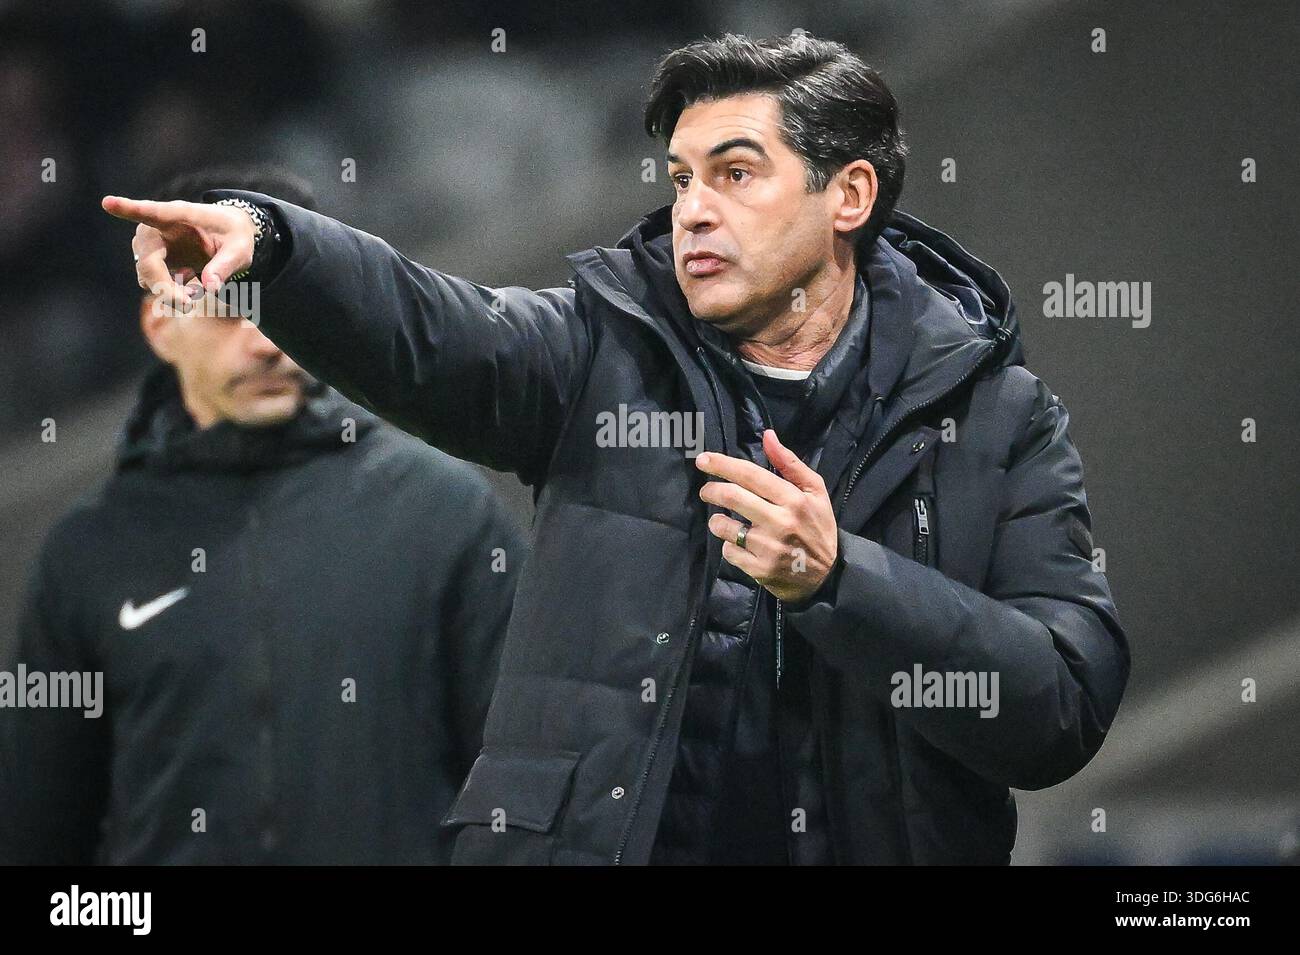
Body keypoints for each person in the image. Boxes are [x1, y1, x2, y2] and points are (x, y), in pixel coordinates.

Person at [101, 34, 1130, 865]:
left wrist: (839, 582)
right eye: (681, 177)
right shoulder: (599, 349)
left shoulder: (996, 418)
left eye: (735, 172)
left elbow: (1060, 705)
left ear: (847, 197)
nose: (693, 210)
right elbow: (429, 330)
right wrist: (274, 244)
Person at [3, 167, 525, 865]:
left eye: (285, 308)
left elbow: (523, 806)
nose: (266, 342)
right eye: (231, 306)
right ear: (161, 320)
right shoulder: (87, 552)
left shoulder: (447, 513)